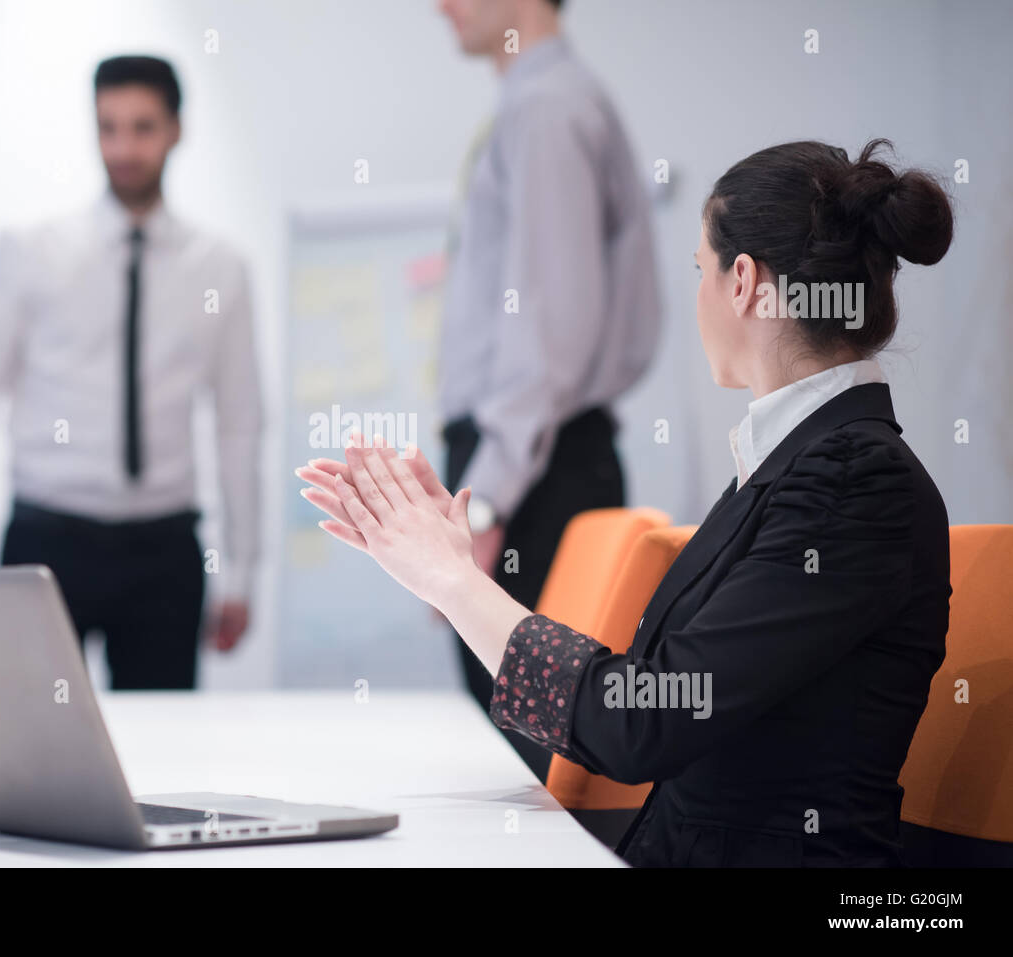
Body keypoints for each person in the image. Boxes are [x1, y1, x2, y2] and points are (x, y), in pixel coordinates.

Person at [297, 139, 953, 866]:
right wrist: (457, 580)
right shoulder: (803, 463)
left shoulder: (853, 483)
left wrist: (455, 584)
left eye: (699, 270)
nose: (698, 293)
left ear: (744, 282)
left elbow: (644, 719)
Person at [0, 55, 262, 690]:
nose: (123, 147)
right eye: (108, 127)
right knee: (26, 750)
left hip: (165, 551)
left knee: (165, 766)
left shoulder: (221, 269)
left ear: (176, 130)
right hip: (46, 544)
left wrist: (242, 570)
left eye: (142, 127)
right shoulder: (27, 253)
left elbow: (239, 424)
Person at [435, 0, 660, 782]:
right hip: (539, 452)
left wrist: (487, 500)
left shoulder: (545, 108)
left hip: (532, 464)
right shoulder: (545, 102)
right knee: (534, 739)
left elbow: (546, 327)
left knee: (538, 750)